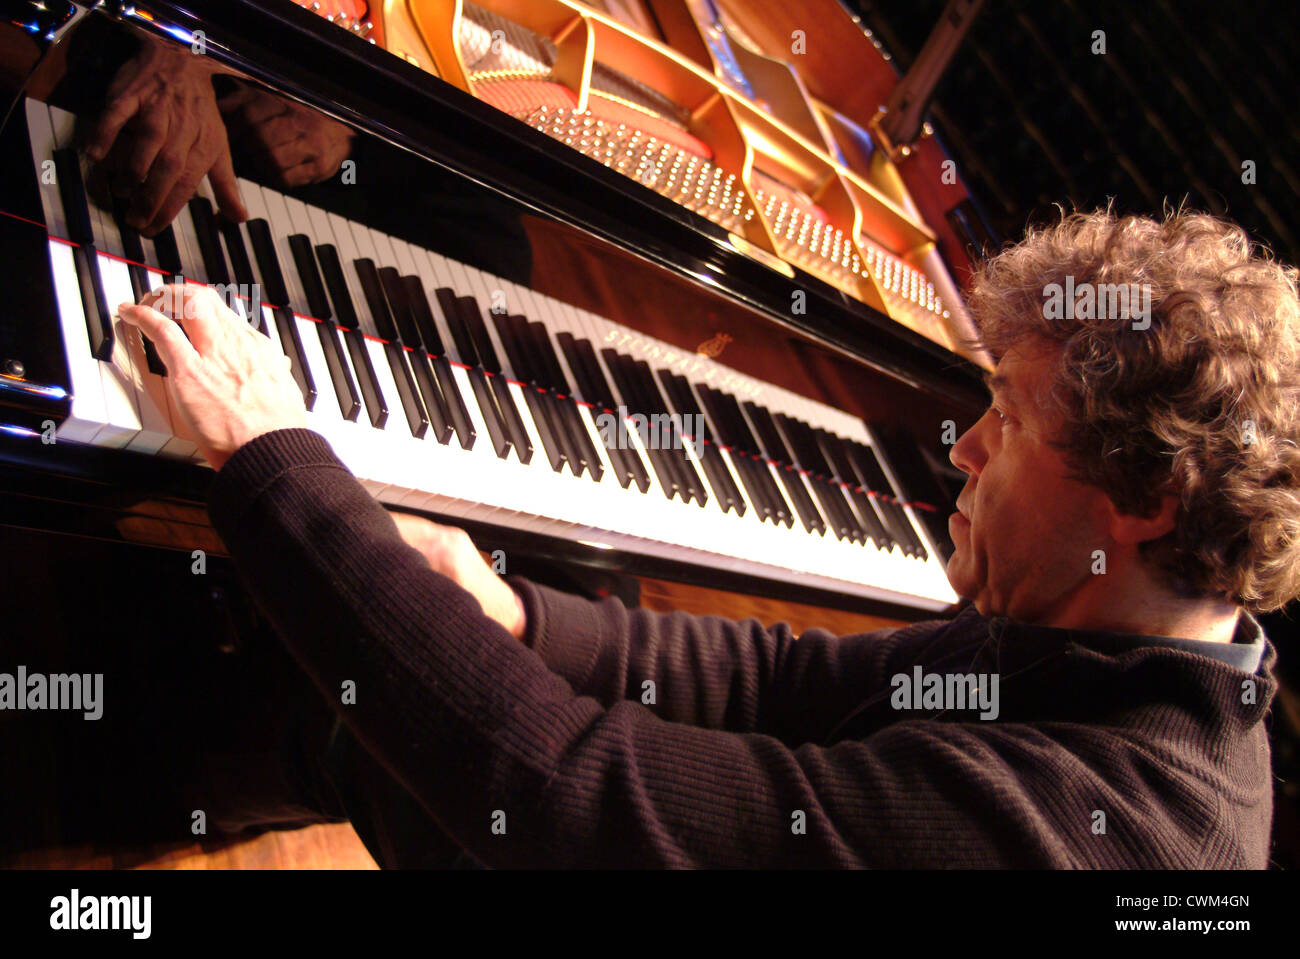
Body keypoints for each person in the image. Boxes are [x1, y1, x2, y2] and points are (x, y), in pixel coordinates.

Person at [117, 208, 1295, 867]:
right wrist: (520, 613)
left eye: (1012, 422)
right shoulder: (1105, 634)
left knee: (384, 724)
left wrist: (270, 454)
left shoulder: (1089, 832)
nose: (963, 448)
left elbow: (576, 800)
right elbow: (786, 675)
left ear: (1144, 499)